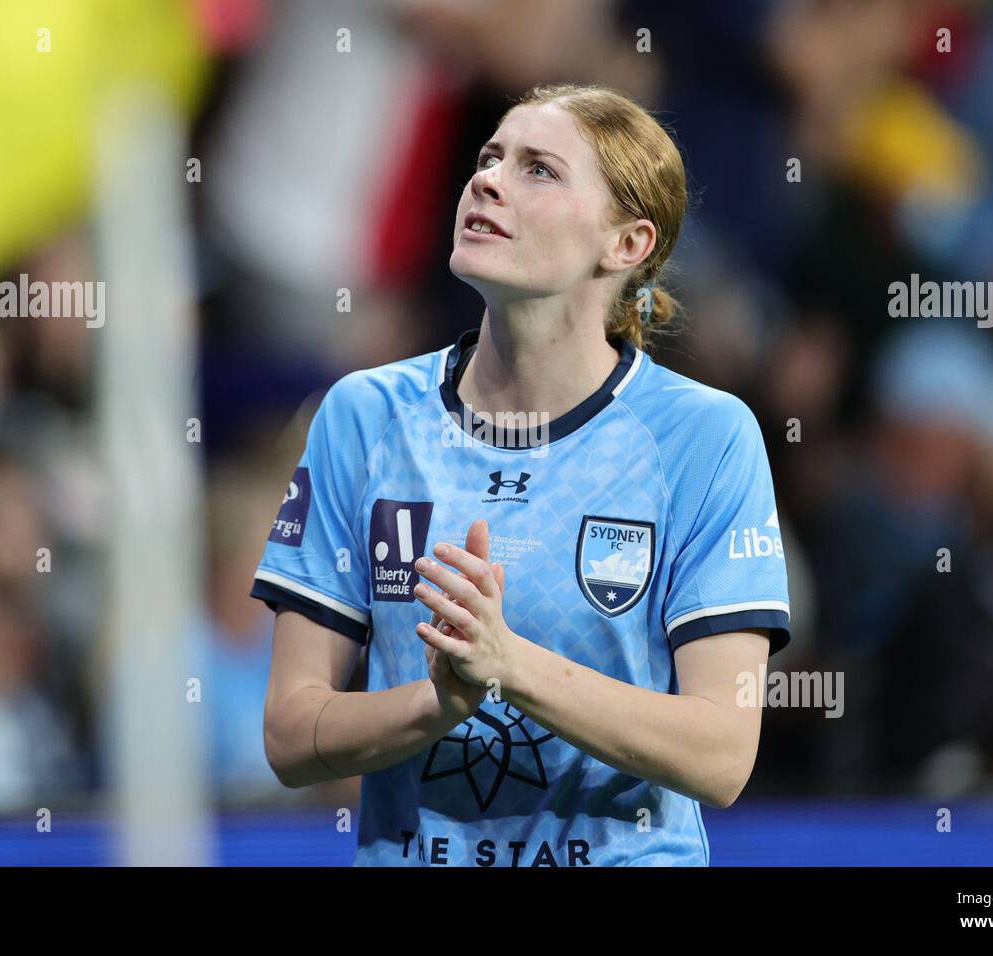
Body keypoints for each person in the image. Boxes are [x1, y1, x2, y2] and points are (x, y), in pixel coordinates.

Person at [253, 83, 791, 866]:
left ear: (627, 244)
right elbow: (291, 735)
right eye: (489, 158)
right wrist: (439, 704)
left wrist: (511, 668)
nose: (489, 180)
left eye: (539, 170)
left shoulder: (703, 436)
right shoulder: (362, 416)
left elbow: (721, 754)